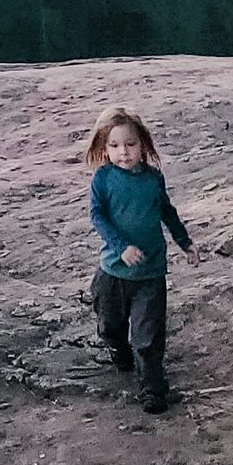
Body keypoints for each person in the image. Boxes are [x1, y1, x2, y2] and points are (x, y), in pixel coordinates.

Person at [84, 105, 203, 413]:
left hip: (150, 272)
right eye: (114, 145)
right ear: (104, 148)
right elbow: (97, 216)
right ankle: (119, 351)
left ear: (143, 144)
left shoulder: (152, 179)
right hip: (113, 271)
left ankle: (153, 388)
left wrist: (184, 242)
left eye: (130, 144)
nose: (123, 152)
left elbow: (166, 211)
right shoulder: (103, 179)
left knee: (147, 336)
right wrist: (121, 246)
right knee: (109, 326)